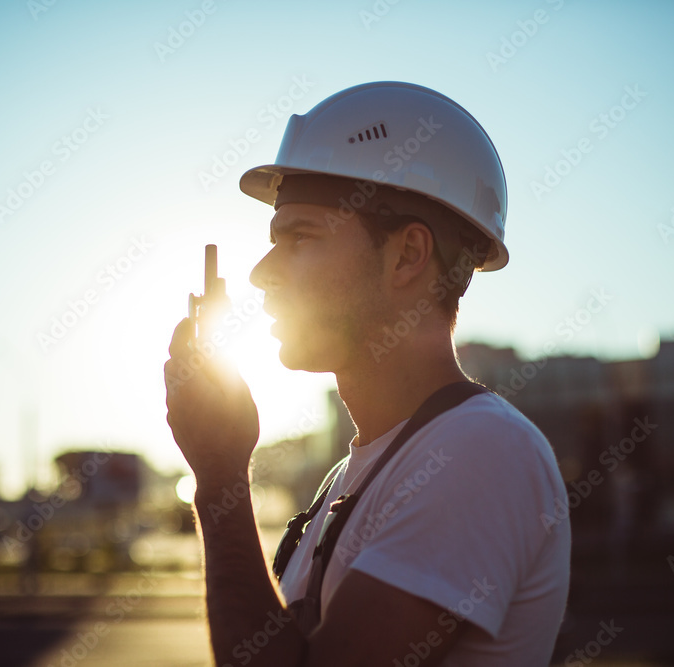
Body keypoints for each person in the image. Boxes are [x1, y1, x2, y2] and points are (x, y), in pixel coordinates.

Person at [165, 81, 570, 666]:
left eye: (300, 237)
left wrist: (221, 477)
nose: (260, 273)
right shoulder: (351, 477)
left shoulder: (482, 449)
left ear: (407, 255)